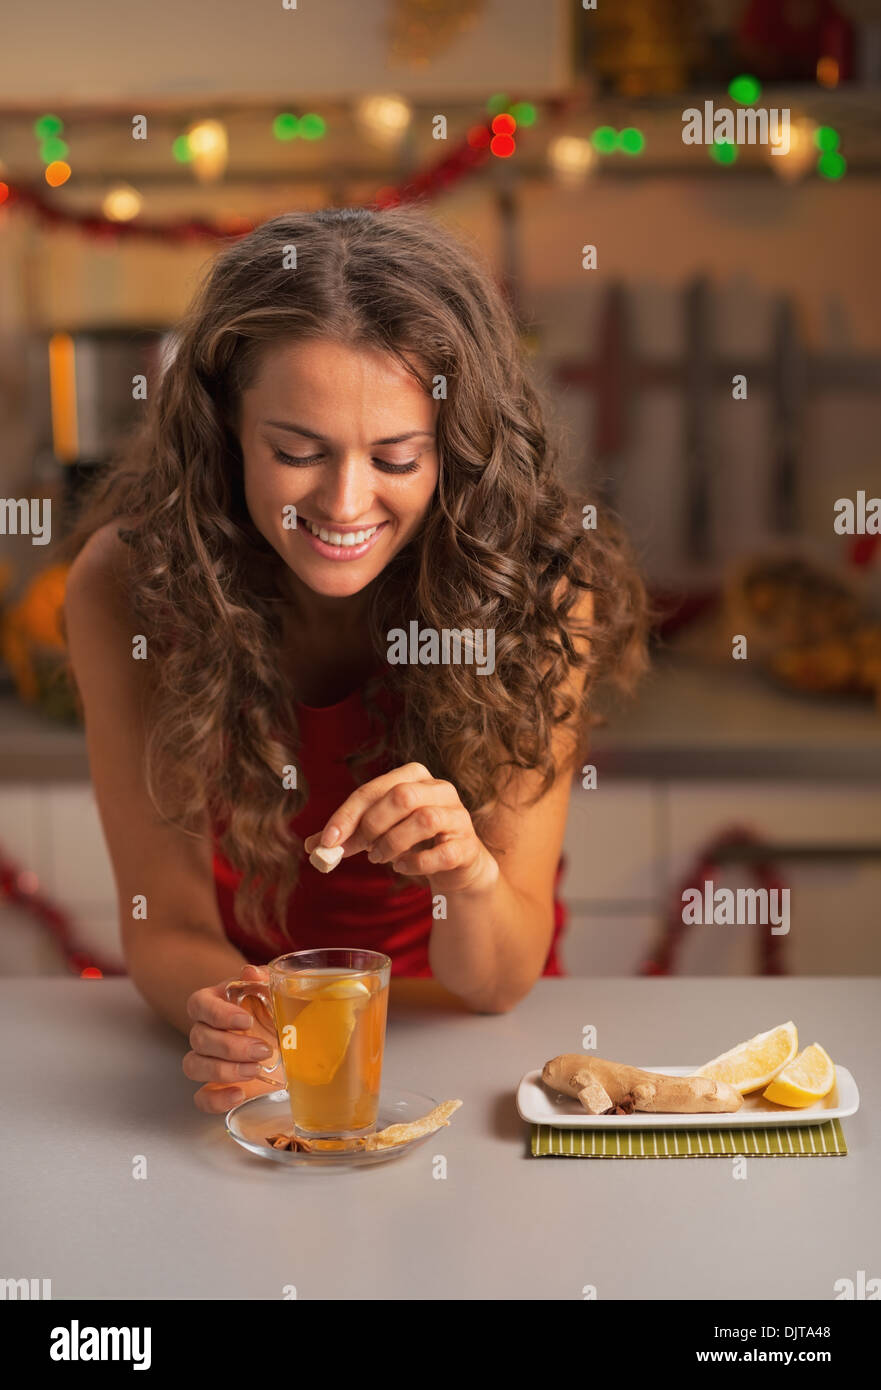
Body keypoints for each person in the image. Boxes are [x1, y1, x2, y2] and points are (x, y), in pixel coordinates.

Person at [62, 207, 647, 1114]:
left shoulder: (538, 590)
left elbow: (495, 983)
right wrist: (239, 1015)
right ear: (226, 434)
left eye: (395, 457)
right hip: (264, 1055)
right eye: (296, 452)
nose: (343, 503)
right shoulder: (128, 587)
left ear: (455, 449)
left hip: (475, 1054)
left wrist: (467, 876)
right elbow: (165, 926)